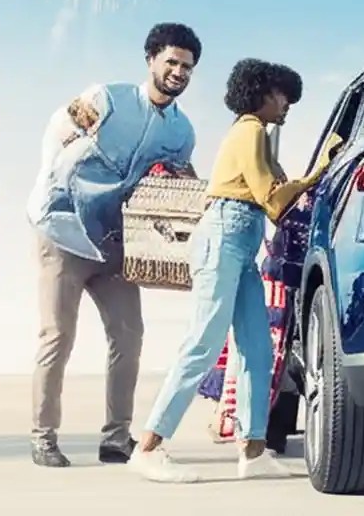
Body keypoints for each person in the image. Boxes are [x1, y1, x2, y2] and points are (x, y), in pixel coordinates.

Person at [129, 58, 341, 483]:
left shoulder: (258, 135)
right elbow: (274, 201)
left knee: (257, 349)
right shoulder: (249, 131)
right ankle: (149, 447)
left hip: (239, 242)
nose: (287, 105)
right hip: (225, 236)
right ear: (260, 94)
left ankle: (254, 450)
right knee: (203, 344)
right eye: (282, 95)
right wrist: (318, 173)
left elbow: (271, 196)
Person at [25, 23, 202, 467]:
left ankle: (116, 437)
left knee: (129, 335)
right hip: (62, 231)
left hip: (115, 245)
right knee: (57, 336)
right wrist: (52, 185)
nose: (179, 72)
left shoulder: (182, 132)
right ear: (151, 60)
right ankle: (43, 437)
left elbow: (176, 182)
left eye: (187, 66)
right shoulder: (107, 98)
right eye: (172, 62)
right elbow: (57, 129)